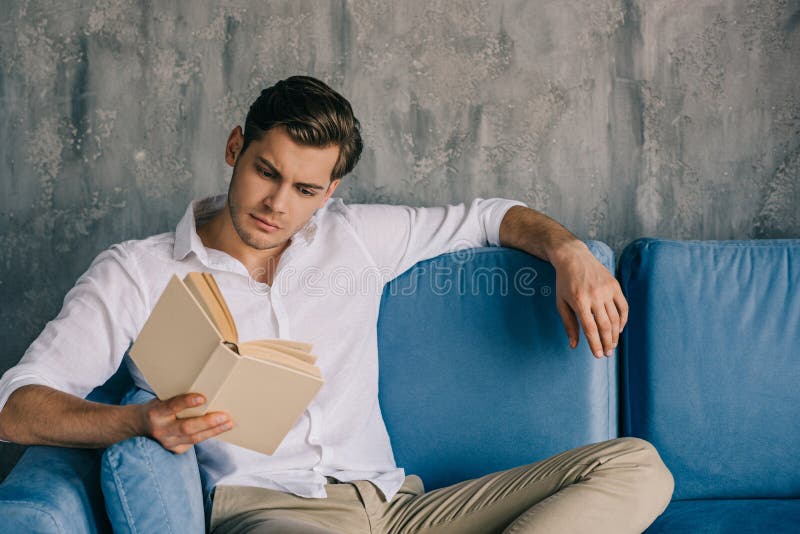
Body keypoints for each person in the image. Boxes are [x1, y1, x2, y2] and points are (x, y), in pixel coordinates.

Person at [0, 75, 673, 533]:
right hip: (272, 514)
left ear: (328, 191)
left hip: (400, 509)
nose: (276, 204)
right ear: (236, 148)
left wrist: (569, 252)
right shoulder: (137, 272)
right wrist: (141, 420)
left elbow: (489, 217)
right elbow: (15, 407)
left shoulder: (353, 237)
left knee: (635, 466)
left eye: (303, 188)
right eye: (266, 171)